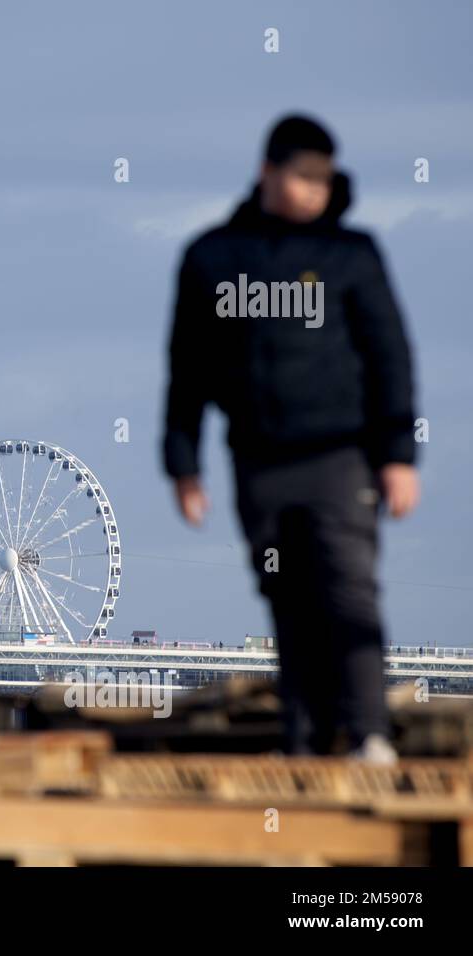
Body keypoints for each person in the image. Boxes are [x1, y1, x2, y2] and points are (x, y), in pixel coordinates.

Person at [162, 115, 420, 763]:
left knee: (350, 591)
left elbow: (390, 355)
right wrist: (183, 464)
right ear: (267, 172)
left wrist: (399, 456)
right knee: (287, 601)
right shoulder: (212, 258)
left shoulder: (353, 256)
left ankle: (370, 737)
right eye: (303, 176)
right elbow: (187, 366)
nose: (314, 191)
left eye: (324, 180)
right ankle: (302, 745)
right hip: (257, 460)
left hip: (342, 457)